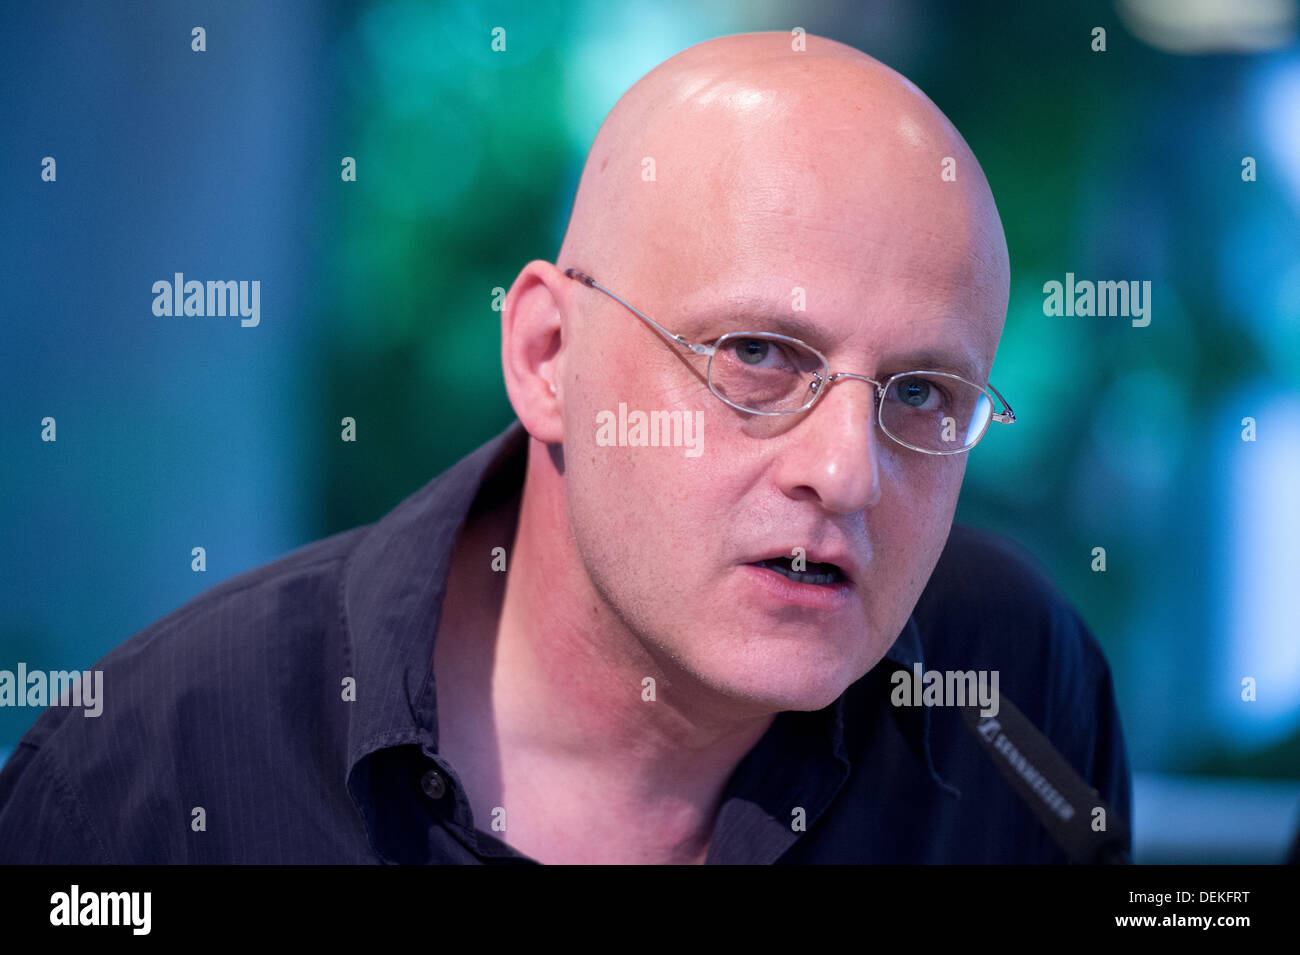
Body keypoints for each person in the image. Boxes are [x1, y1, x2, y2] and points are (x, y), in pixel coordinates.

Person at [0, 30, 1130, 864]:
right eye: (757, 355)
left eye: (922, 391)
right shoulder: (161, 769)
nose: (842, 471)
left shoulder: (1014, 687)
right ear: (549, 355)